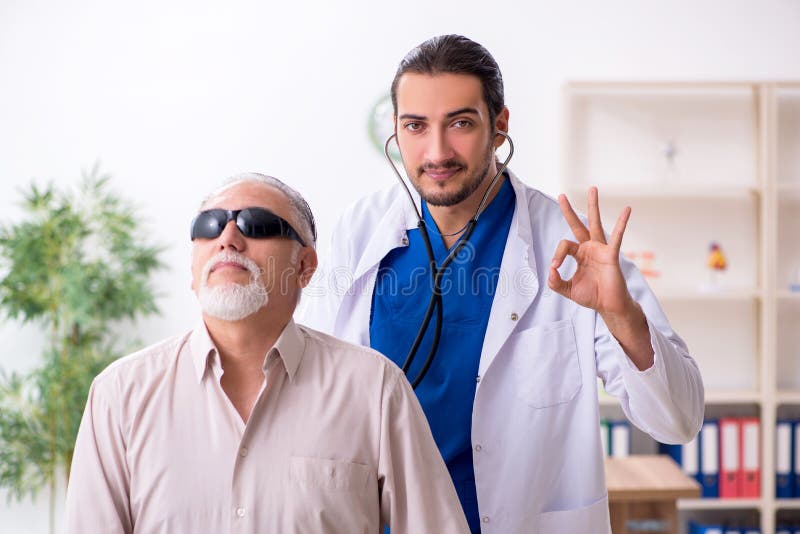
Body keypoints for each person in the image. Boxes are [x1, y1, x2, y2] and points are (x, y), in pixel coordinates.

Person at [301, 35, 704, 533]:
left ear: (500, 127)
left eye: (461, 123)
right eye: (416, 126)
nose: (437, 151)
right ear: (397, 132)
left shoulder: (570, 245)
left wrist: (622, 317)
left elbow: (678, 420)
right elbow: (315, 400)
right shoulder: (358, 235)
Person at [64, 173, 469, 534]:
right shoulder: (119, 395)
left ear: (305, 265)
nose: (227, 239)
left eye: (255, 224)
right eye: (209, 225)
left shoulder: (373, 389)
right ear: (192, 265)